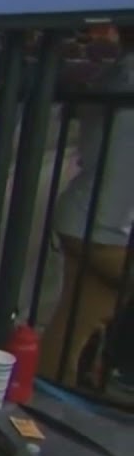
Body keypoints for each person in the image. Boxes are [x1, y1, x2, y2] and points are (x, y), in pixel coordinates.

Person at [41, 25, 134, 388]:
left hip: (89, 216)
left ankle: (54, 388)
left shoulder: (115, 76)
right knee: (81, 316)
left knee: (78, 317)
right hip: (102, 225)